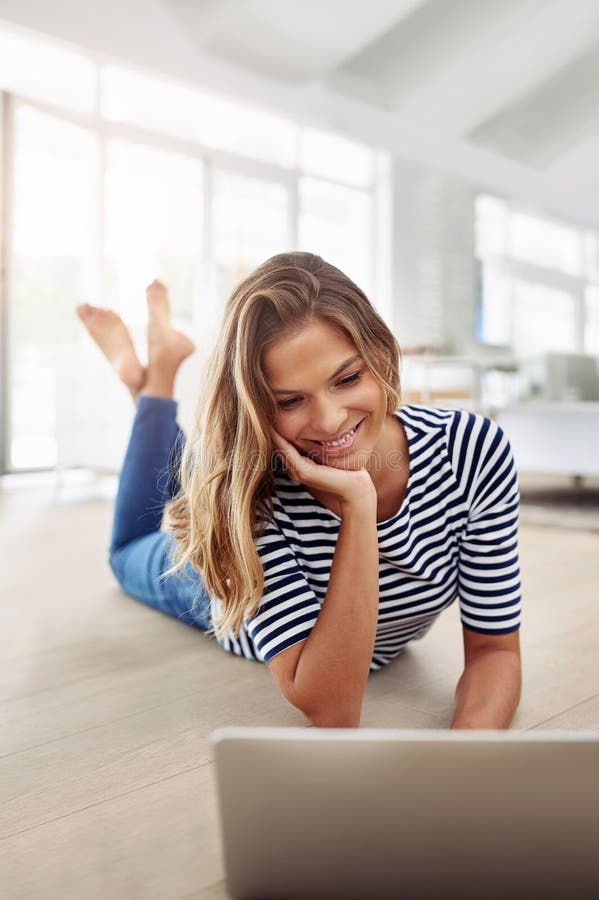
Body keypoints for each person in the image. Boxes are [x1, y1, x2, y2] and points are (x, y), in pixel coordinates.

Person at [76, 251, 522, 730]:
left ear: (380, 353)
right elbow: (333, 707)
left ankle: (151, 379)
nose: (331, 421)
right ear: (257, 410)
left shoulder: (472, 451)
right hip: (226, 584)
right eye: (290, 400)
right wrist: (358, 503)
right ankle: (156, 383)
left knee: (201, 474)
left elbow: (495, 650)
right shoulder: (247, 498)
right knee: (128, 553)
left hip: (245, 474)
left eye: (348, 378)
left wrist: (466, 759)